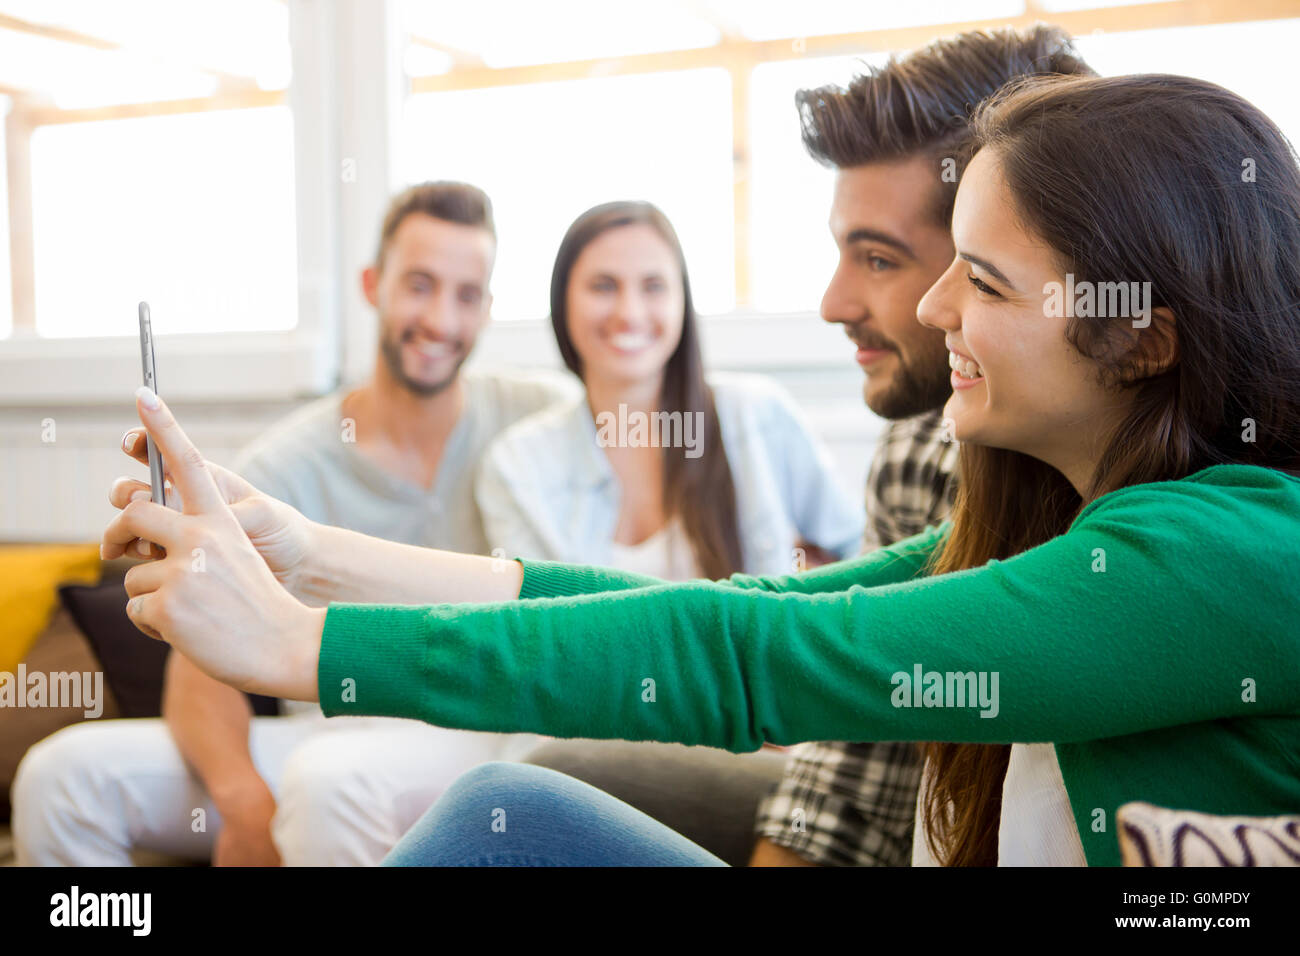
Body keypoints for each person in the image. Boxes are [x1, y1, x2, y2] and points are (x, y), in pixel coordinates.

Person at [101, 73, 1300, 867]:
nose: (934, 309)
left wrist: (300, 652)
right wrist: (308, 558)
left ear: (1142, 331)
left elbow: (751, 659)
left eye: (981, 281)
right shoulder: (1069, 525)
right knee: (499, 824)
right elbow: (742, 609)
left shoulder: (1228, 555)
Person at [12, 182, 572, 866]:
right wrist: (243, 802)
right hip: (326, 730)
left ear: (487, 308)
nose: (440, 319)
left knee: (330, 784)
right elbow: (201, 663)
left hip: (474, 732)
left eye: (466, 295)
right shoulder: (286, 464)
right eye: (419, 285)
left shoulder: (538, 419)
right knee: (59, 778)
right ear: (373, 285)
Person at [751, 24, 1094, 867]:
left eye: (878, 259)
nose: (833, 303)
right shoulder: (913, 447)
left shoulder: (1158, 519)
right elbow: (850, 753)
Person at [475, 199, 863, 865]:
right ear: (561, 304)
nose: (630, 311)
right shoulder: (520, 462)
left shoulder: (755, 416)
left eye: (654, 286)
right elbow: (548, 655)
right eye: (603, 286)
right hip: (596, 737)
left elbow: (863, 567)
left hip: (763, 744)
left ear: (683, 303)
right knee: (512, 791)